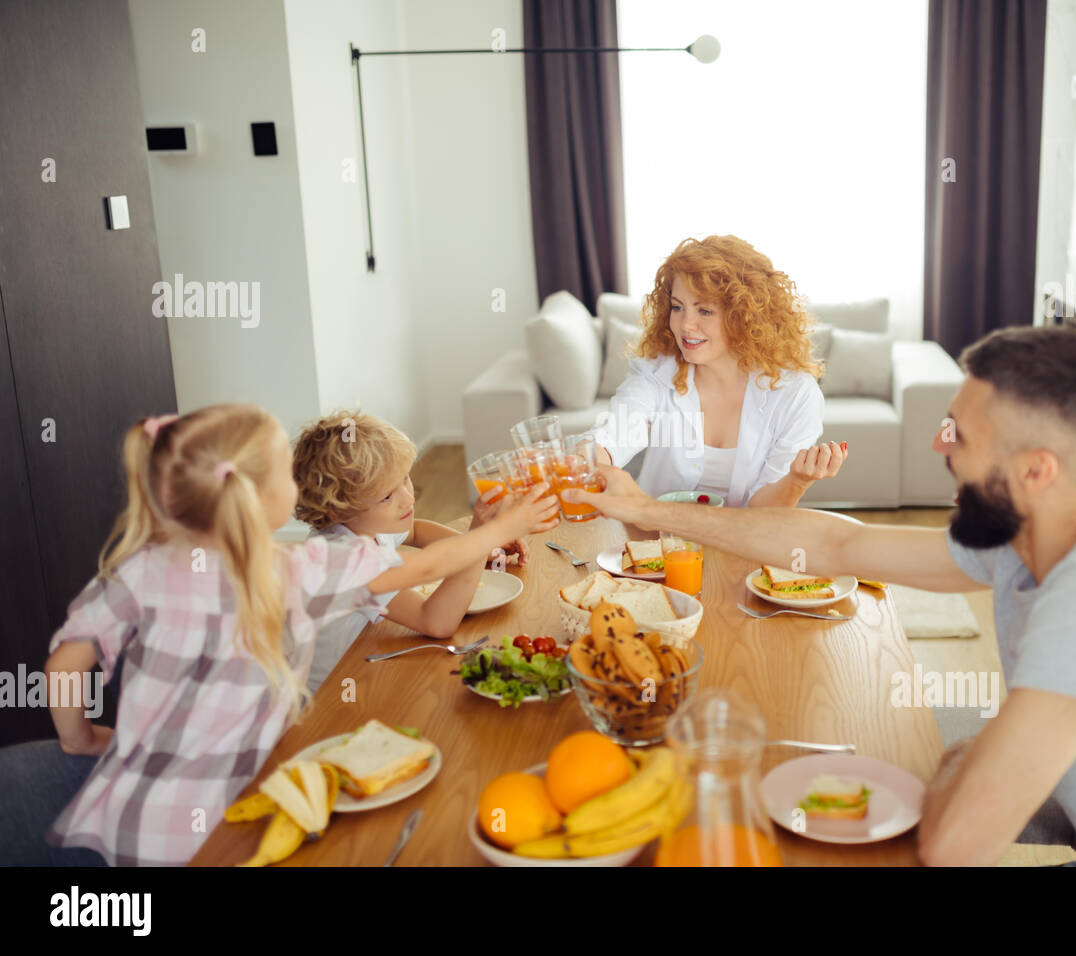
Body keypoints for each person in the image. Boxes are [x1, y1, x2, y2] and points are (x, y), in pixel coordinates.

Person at [565, 326, 1076, 866]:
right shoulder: (1031, 535)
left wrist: (959, 764)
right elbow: (834, 546)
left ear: (1037, 469)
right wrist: (647, 512)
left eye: (960, 435)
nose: (937, 446)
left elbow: (952, 844)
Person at [7, 404, 553, 866]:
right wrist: (502, 529)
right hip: (219, 826)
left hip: (130, 824)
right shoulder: (294, 570)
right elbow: (419, 578)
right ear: (256, 497)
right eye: (284, 476)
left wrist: (81, 739)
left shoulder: (140, 568)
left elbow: (62, 666)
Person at [292, 411, 540, 694]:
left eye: (406, 479)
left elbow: (416, 531)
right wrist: (481, 541)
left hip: (366, 657)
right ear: (338, 509)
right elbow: (436, 621)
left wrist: (473, 541)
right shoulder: (342, 556)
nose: (408, 498)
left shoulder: (362, 527)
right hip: (330, 698)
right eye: (386, 496)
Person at [589, 235, 846, 507]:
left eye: (705, 311)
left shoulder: (796, 394)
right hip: (657, 540)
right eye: (678, 307)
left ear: (743, 315)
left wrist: (797, 481)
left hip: (740, 543)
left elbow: (763, 512)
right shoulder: (658, 372)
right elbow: (615, 434)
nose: (686, 325)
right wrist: (582, 458)